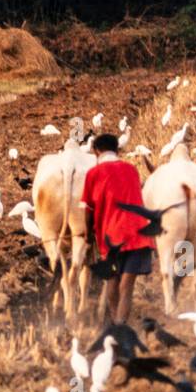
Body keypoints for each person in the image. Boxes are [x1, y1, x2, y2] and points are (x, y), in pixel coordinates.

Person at [81, 134, 156, 325]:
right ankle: (119, 325)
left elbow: (88, 210)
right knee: (127, 285)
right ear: (118, 150)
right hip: (138, 234)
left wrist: (88, 236)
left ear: (96, 151)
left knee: (113, 281)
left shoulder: (93, 174)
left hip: (111, 236)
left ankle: (117, 323)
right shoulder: (131, 169)